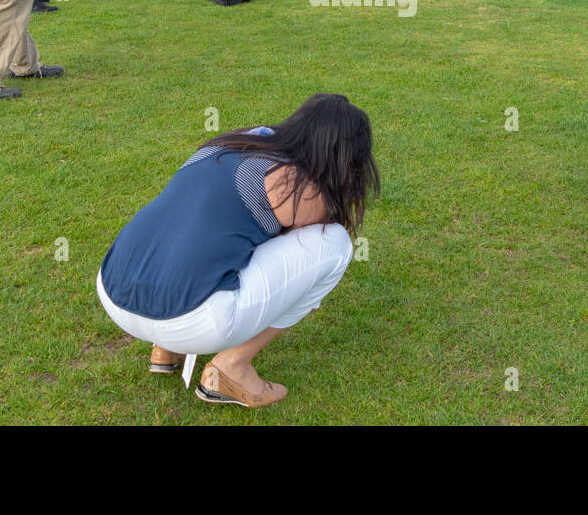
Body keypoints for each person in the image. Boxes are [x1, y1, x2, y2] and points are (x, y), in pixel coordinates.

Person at [97, 93, 380, 408]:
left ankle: (164, 347)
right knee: (336, 244)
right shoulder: (295, 184)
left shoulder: (237, 140)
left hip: (113, 291)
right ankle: (232, 367)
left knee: (207, 231)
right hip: (191, 320)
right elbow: (311, 231)